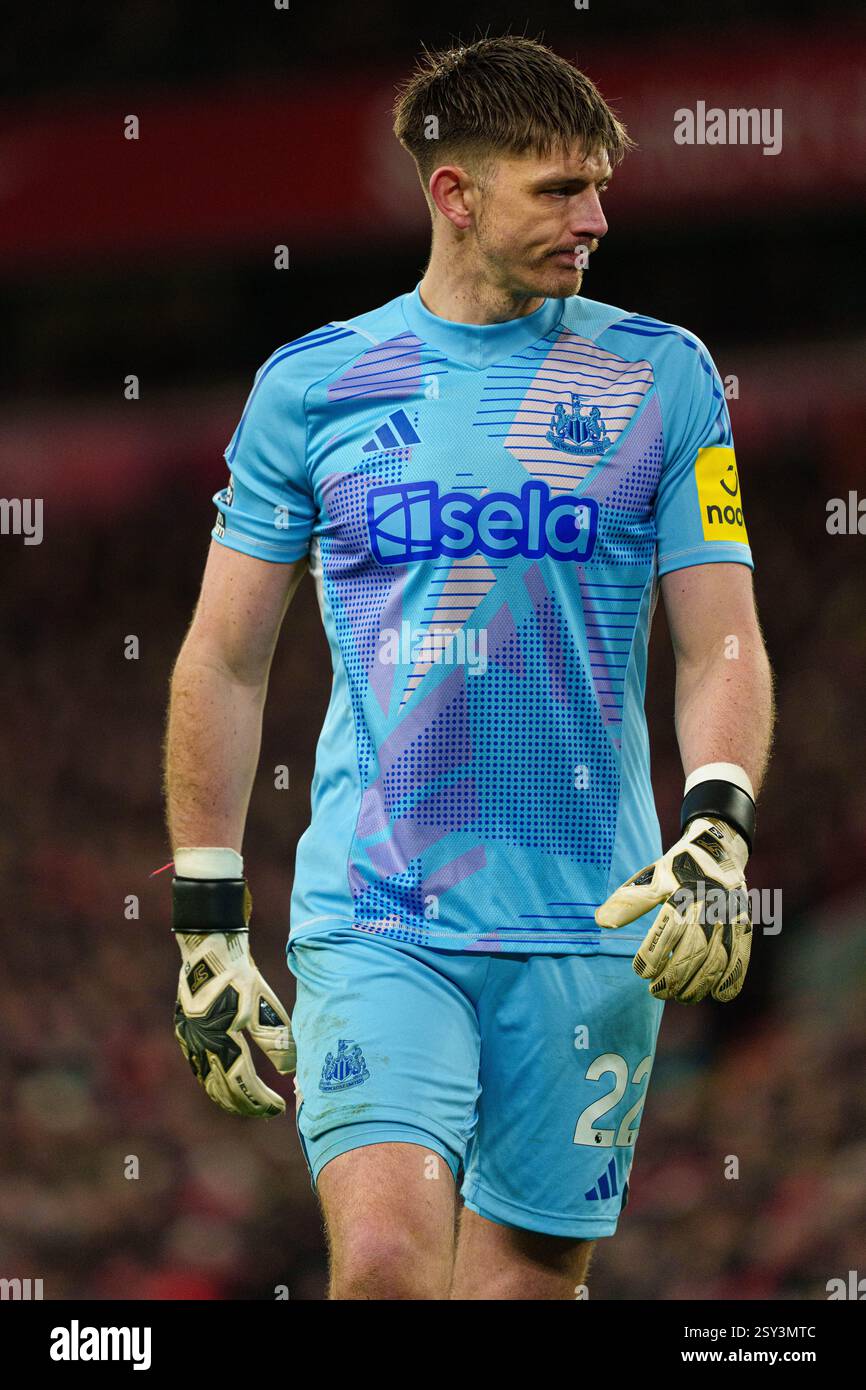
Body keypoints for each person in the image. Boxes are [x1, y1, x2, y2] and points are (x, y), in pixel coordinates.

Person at [164, 35, 775, 1300]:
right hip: (380, 910)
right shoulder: (314, 386)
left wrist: (714, 820)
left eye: (600, 186)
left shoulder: (661, 379)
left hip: (591, 926)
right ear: (453, 194)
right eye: (558, 190)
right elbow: (223, 658)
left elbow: (718, 633)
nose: (595, 218)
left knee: (516, 1294)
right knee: (385, 1264)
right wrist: (206, 919)